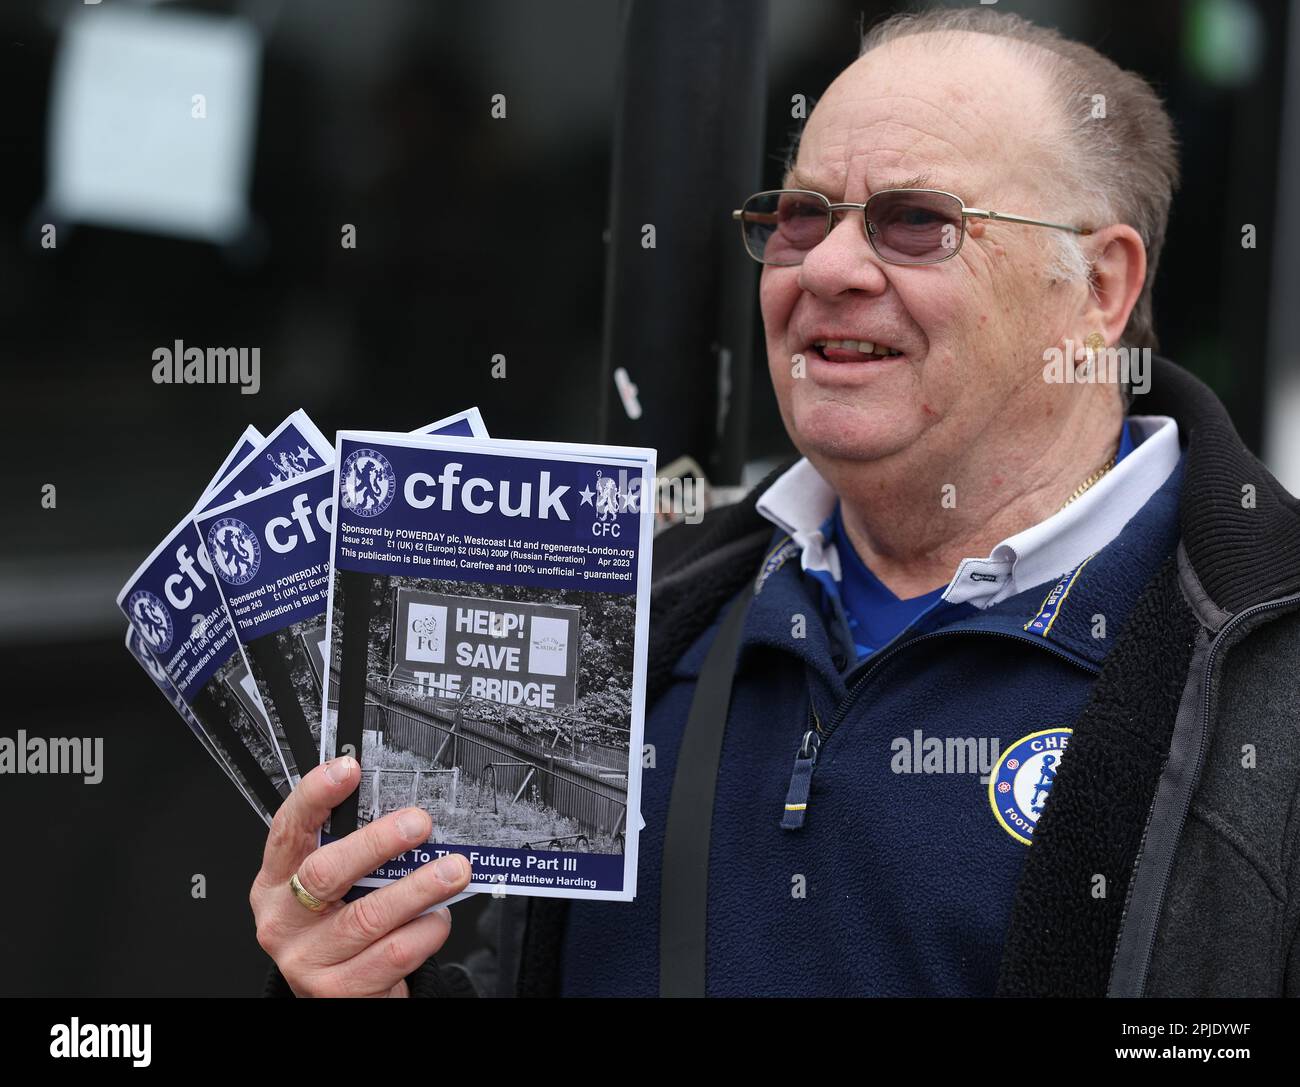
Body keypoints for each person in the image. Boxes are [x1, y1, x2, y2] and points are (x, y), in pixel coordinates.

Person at [252, 8, 1300, 997]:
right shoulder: (656, 609)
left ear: (1102, 287)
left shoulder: (1264, 659)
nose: (830, 266)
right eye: (801, 216)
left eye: (915, 223)